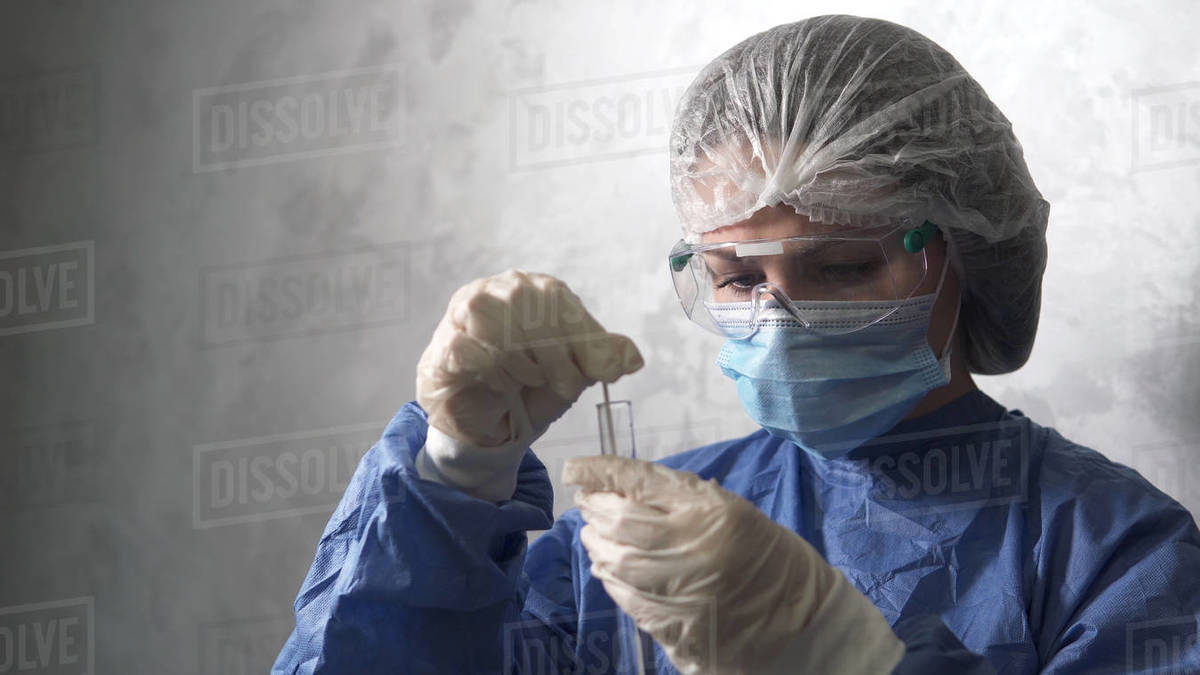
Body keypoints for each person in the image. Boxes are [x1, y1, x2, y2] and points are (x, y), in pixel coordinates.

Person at [273, 15, 1200, 674]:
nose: (781, 316)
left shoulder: (1114, 554)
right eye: (738, 276)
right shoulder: (647, 541)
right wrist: (457, 471)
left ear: (963, 251)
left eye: (839, 265)